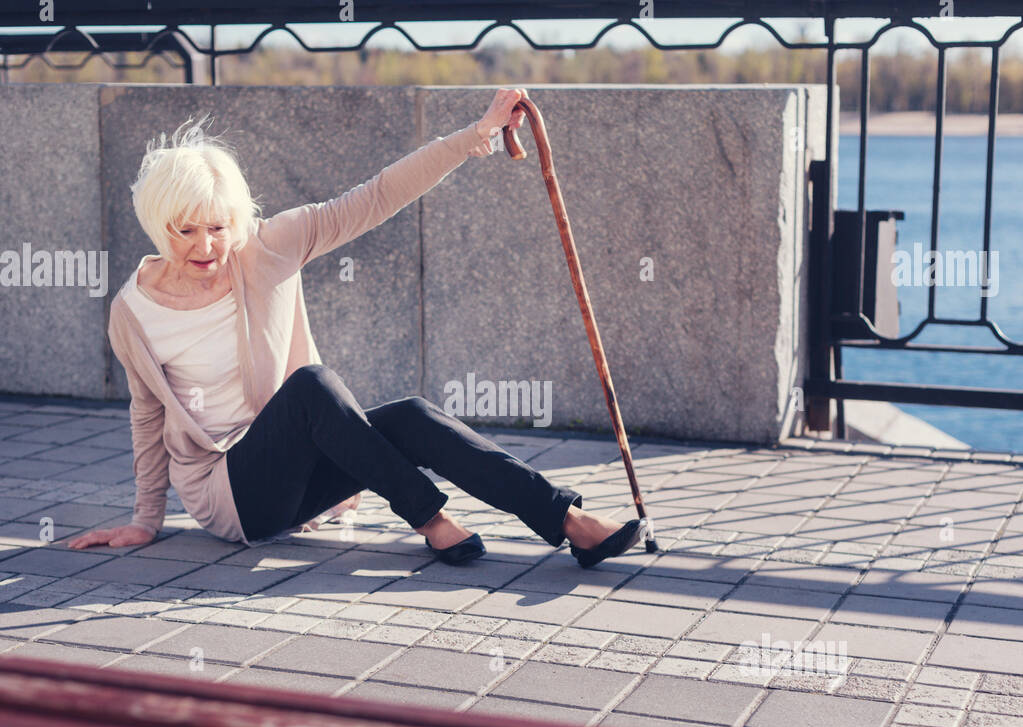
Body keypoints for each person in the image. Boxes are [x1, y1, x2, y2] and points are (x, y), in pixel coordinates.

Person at [68, 87, 641, 568]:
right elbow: (147, 413)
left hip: (306, 472)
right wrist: (147, 520)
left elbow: (377, 195)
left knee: (413, 417)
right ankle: (429, 517)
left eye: (218, 227)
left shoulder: (266, 248)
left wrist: (478, 133)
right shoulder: (135, 312)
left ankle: (567, 519)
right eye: (186, 230)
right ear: (157, 222)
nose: (207, 246)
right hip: (234, 498)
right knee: (312, 386)